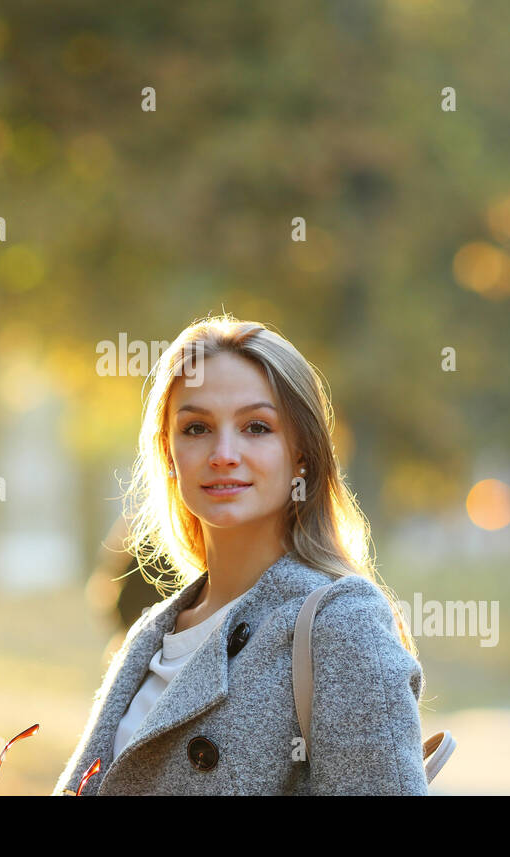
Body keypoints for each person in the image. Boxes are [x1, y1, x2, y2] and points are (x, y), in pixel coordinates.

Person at [53, 314, 429, 795]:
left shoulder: (341, 624)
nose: (224, 453)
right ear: (168, 455)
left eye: (256, 426)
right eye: (195, 428)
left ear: (302, 454)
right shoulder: (150, 635)